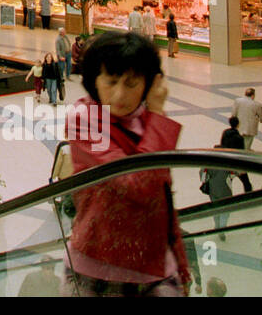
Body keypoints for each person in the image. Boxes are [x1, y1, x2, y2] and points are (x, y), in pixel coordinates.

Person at [62, 32, 189, 296]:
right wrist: (157, 117)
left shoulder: (147, 120)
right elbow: (137, 184)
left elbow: (162, 196)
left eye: (131, 84)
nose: (120, 94)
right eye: (111, 81)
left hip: (154, 265)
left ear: (149, 84)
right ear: (94, 80)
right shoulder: (84, 119)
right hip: (98, 268)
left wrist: (179, 259)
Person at [219, 116, 253, 192]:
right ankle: (249, 197)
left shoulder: (225, 133)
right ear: (238, 124)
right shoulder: (239, 138)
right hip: (236, 163)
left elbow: (222, 145)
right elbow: (241, 152)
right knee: (246, 183)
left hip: (226, 161)